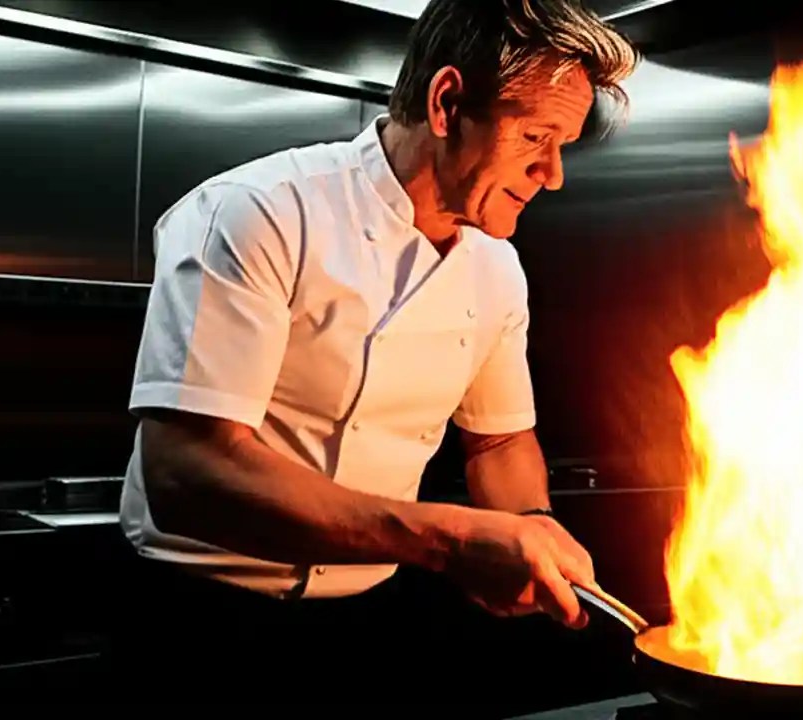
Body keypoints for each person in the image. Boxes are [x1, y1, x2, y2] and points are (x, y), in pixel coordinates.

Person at [108, 0, 640, 713]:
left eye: (564, 145)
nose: (553, 173)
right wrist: (450, 540)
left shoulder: (495, 268)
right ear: (448, 103)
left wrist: (533, 528)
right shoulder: (258, 213)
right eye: (536, 137)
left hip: (370, 616)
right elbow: (185, 472)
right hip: (201, 622)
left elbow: (501, 439)